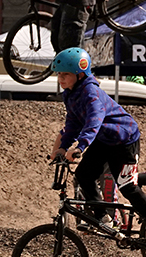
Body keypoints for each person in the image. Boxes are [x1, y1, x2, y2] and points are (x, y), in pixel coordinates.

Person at [49, 47, 146, 231]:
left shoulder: (90, 93)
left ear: (80, 74)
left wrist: (80, 147)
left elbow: (94, 121)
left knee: (126, 185)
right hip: (104, 140)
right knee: (84, 176)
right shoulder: (70, 94)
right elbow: (72, 124)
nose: (60, 78)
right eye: (59, 74)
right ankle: (104, 218)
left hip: (124, 140)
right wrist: (63, 147)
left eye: (65, 74)